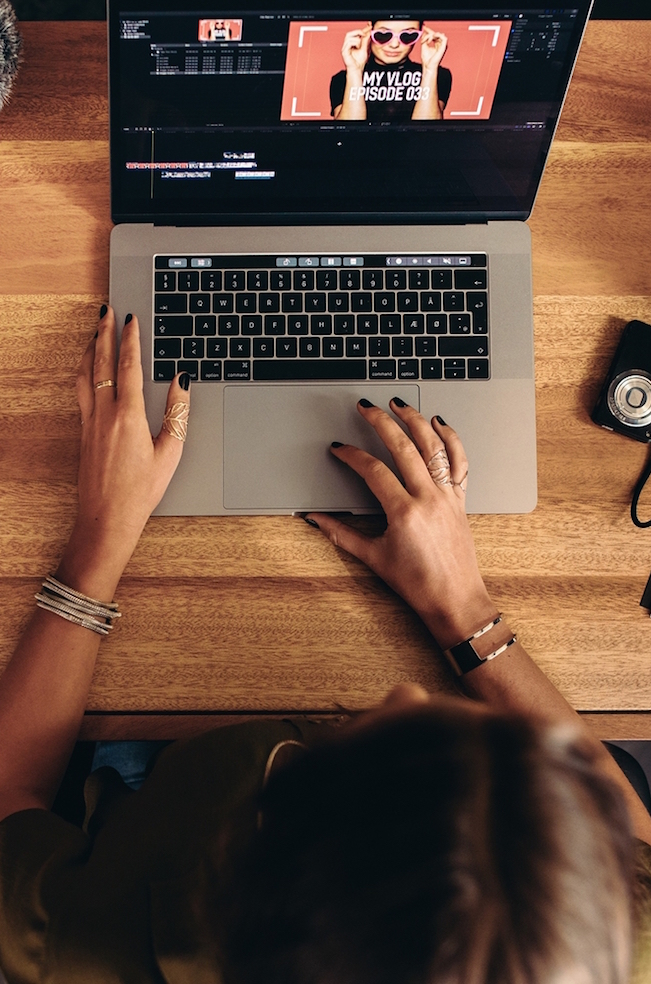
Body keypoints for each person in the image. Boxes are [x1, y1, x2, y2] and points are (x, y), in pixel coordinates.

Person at [1, 306, 651, 983]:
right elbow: (629, 836)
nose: (402, 692)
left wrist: (99, 543)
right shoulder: (619, 938)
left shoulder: (100, 943)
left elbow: (7, 794)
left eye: (380, 747)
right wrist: (461, 609)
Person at [330, 19, 451, 122]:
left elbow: (427, 137)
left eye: (408, 36)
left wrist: (430, 70)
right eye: (383, 34)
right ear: (369, 30)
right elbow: (347, 137)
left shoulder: (438, 76)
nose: (394, 44)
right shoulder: (344, 79)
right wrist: (355, 71)